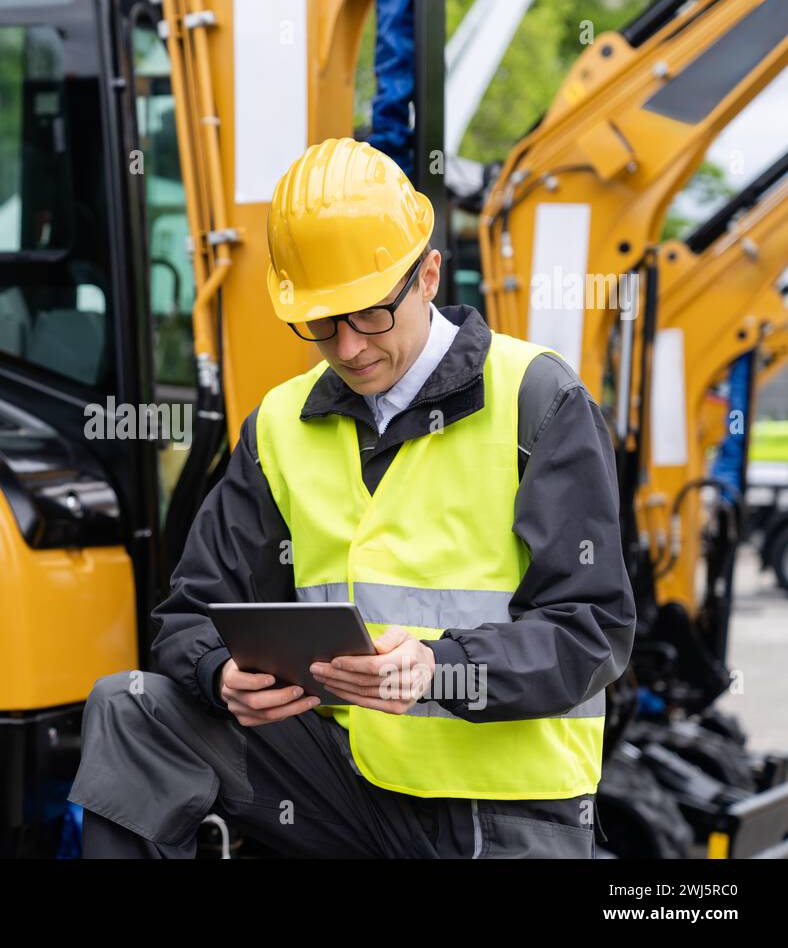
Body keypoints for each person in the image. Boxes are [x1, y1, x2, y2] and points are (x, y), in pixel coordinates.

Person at [67, 137, 635, 858]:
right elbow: (188, 615)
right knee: (132, 706)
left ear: (428, 275)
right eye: (321, 324)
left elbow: (593, 631)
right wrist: (220, 675)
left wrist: (439, 667)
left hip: (505, 817)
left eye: (369, 314)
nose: (349, 347)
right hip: (345, 791)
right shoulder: (278, 424)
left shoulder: (538, 400)